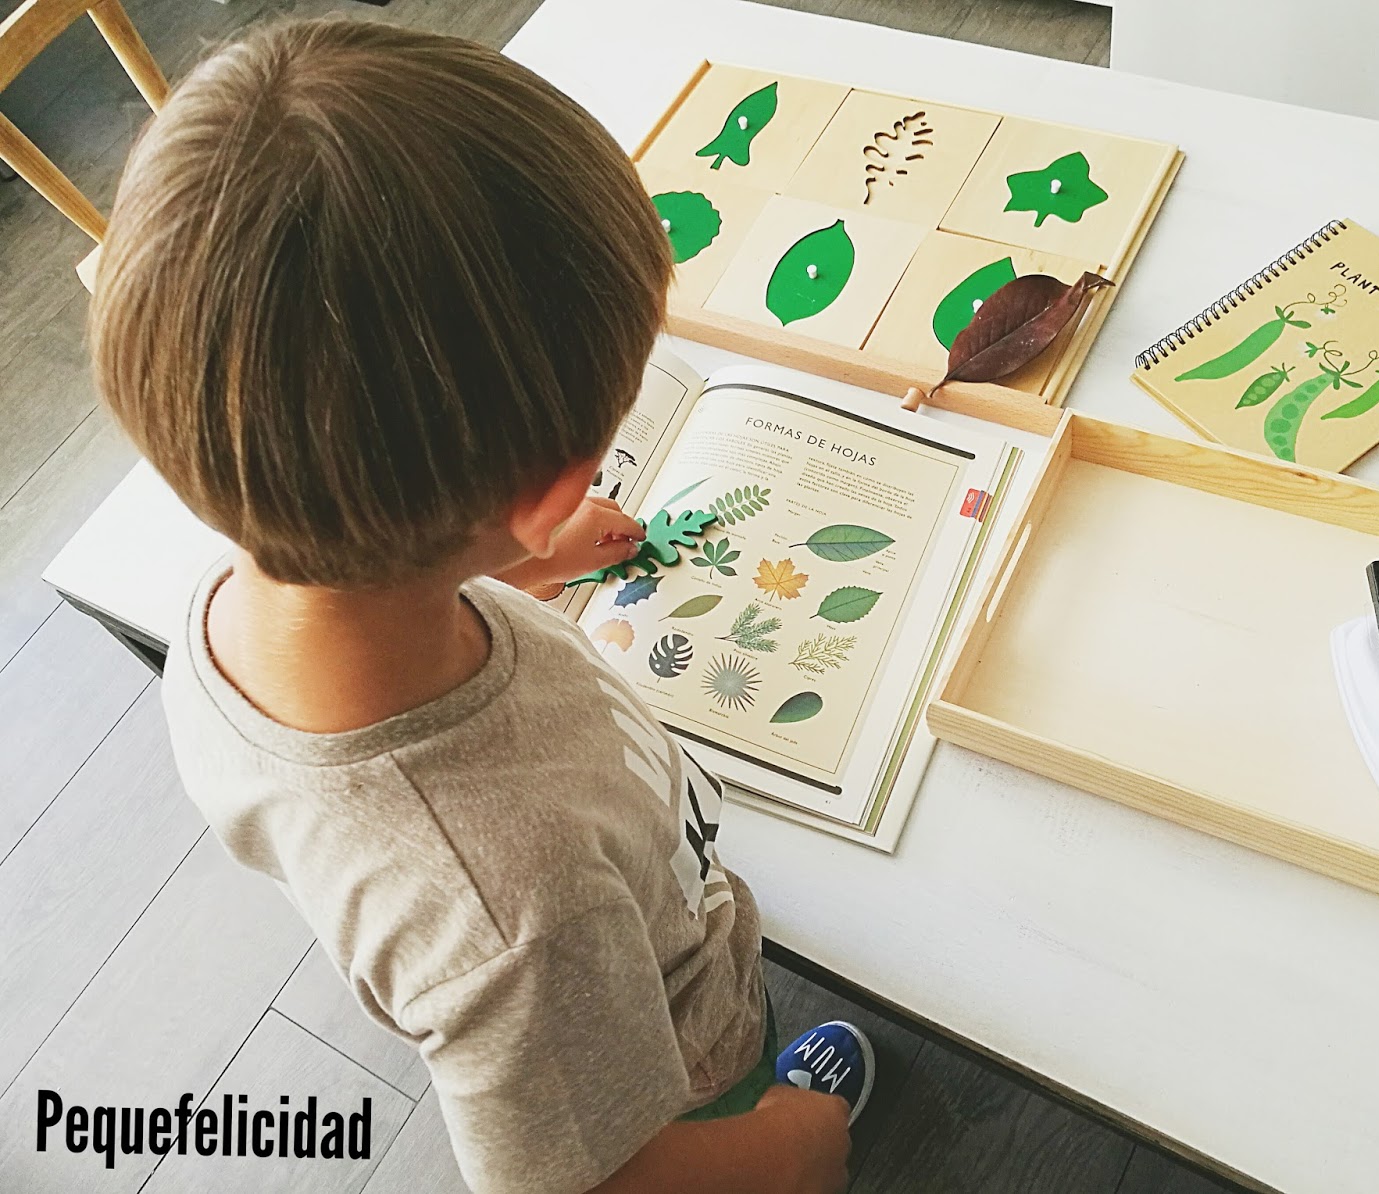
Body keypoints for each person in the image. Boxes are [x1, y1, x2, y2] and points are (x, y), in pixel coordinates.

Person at [88, 18, 872, 1193]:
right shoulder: (517, 912)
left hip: (628, 908)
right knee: (747, 1118)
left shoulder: (256, 583)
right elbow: (601, 1178)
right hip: (683, 1066)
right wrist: (792, 1147)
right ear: (555, 486)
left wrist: (509, 564)